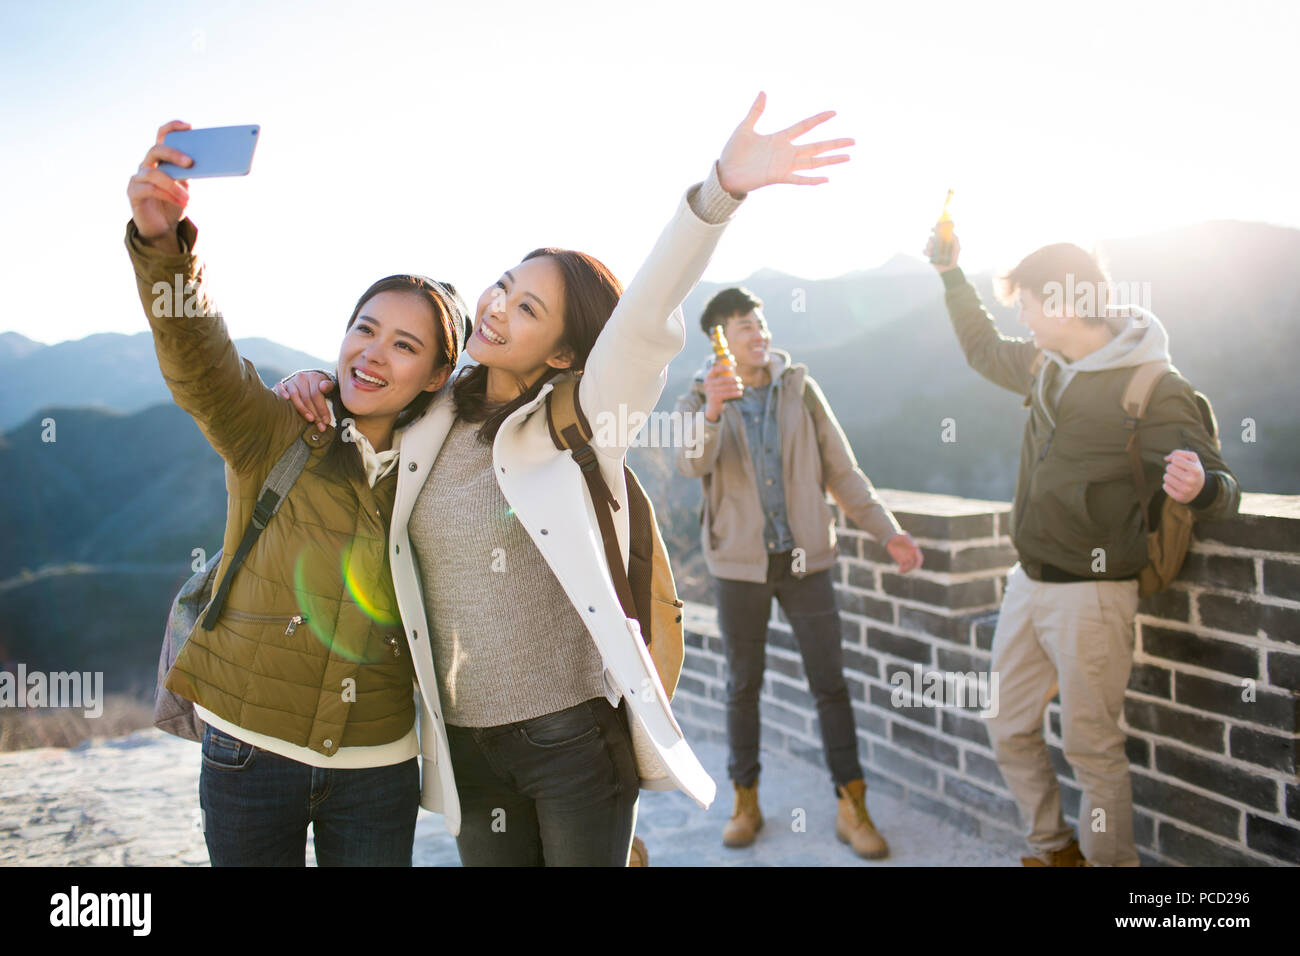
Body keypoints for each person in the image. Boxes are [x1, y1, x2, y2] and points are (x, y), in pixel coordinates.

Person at [273, 93, 854, 866]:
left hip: (572, 738)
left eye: (528, 308)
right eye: (504, 286)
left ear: (560, 354)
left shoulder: (581, 418)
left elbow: (646, 312)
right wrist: (314, 379)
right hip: (470, 746)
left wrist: (720, 194)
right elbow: (374, 372)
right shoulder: (430, 414)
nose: (498, 308)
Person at [125, 121, 466, 865]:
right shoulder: (279, 428)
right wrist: (164, 245)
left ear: (438, 375)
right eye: (364, 329)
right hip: (248, 753)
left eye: (405, 346)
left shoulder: (446, 469)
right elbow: (199, 359)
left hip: (379, 765)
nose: (373, 353)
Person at [924, 231, 1240, 866]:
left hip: (1094, 596)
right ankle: (1052, 851)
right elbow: (983, 350)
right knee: (1007, 726)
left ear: (1065, 304)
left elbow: (1224, 488)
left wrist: (1201, 486)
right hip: (1027, 583)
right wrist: (952, 276)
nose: (1022, 317)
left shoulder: (1153, 387)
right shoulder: (1048, 364)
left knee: (1092, 752)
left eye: (1028, 304)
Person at [673, 287, 923, 859]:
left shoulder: (801, 390)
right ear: (720, 342)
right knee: (743, 687)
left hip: (808, 562)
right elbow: (691, 462)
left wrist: (888, 531)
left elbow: (843, 472)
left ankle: (851, 805)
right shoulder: (696, 398)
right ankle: (746, 798)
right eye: (742, 327)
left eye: (759, 323)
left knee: (830, 685)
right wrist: (712, 411)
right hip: (740, 569)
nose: (757, 333)